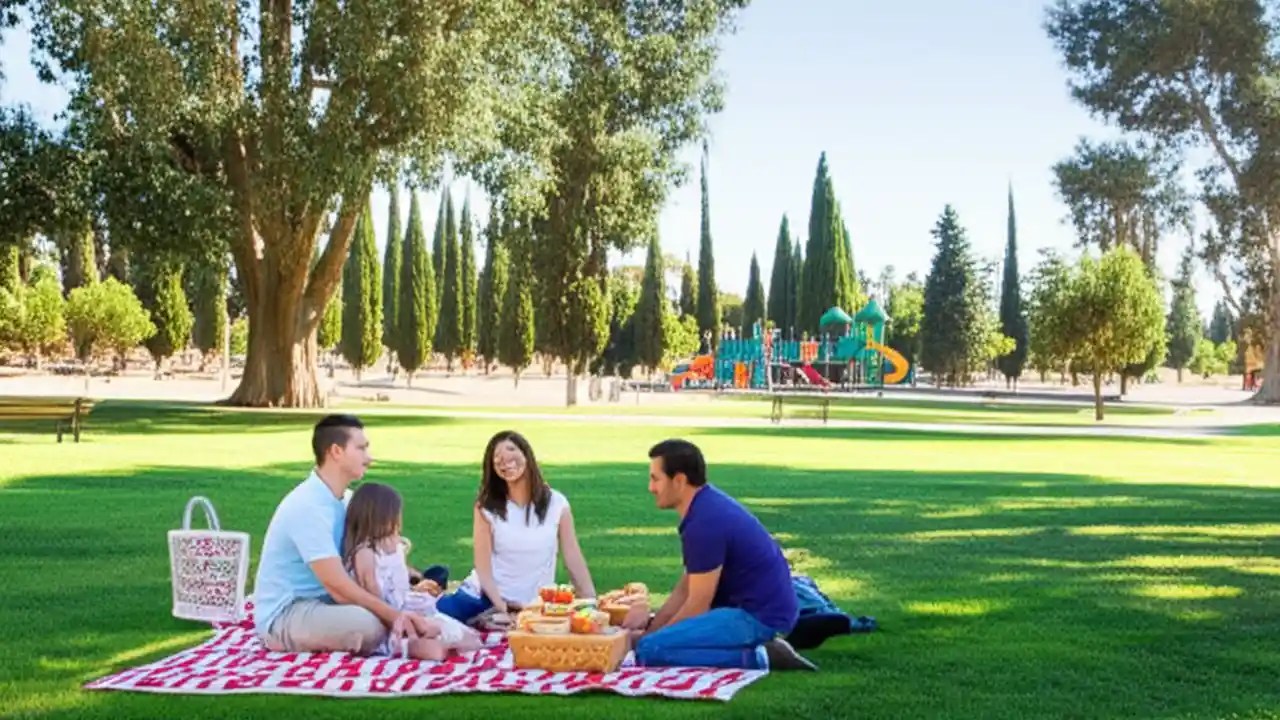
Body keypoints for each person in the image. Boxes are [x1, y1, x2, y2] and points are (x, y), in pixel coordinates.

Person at [623, 439, 816, 671]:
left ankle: (764, 656)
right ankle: (754, 648)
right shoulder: (704, 507)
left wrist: (651, 641)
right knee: (650, 643)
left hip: (756, 616)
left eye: (656, 479)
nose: (650, 488)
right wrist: (650, 632)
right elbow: (685, 588)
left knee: (652, 651)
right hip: (755, 608)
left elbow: (697, 604)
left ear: (679, 480)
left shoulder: (704, 522)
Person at [252, 414, 434, 654]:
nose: (369, 458)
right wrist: (393, 615)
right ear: (336, 452)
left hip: (327, 603)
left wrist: (412, 580)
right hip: (288, 614)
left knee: (415, 607)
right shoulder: (308, 506)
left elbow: (370, 556)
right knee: (369, 625)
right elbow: (337, 585)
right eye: (361, 449)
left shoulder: (346, 500)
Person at [435, 430, 596, 623]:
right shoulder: (486, 507)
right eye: (497, 458)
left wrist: (591, 603)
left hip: (534, 605)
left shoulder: (557, 504)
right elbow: (483, 570)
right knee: (432, 619)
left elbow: (573, 559)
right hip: (486, 598)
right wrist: (503, 607)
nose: (505, 460)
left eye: (511, 450)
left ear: (526, 455)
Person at [342, 483, 481, 660]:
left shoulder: (393, 544)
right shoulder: (365, 553)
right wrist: (403, 622)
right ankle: (413, 643)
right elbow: (373, 596)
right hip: (389, 622)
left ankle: (432, 635)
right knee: (435, 649)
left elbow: (397, 572)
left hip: (407, 607)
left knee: (471, 641)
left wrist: (416, 579)